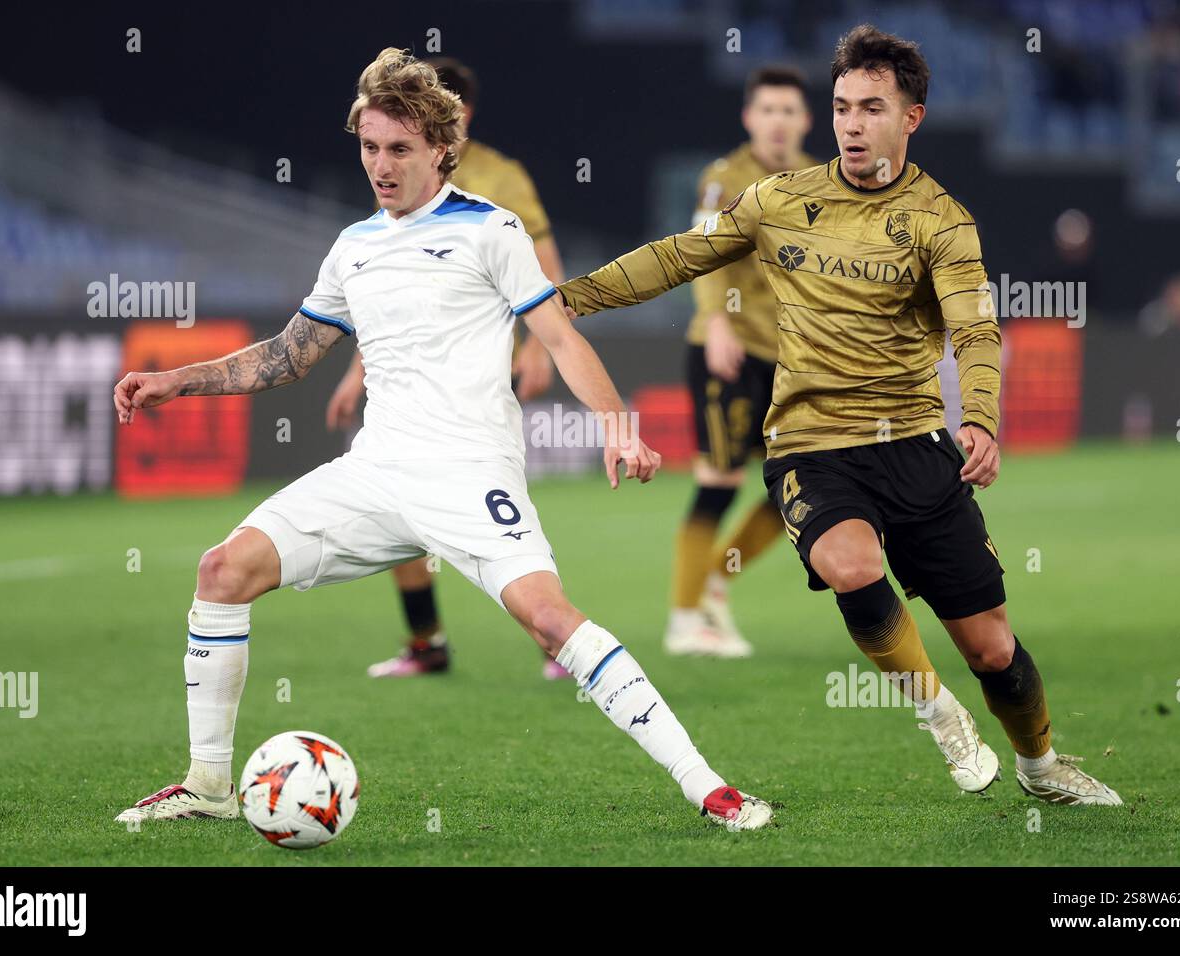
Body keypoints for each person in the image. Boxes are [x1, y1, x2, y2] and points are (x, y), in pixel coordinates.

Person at [112, 48, 771, 830]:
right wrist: (175, 381)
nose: (380, 165)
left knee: (552, 622)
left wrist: (618, 427)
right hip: (377, 472)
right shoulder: (354, 247)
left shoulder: (491, 230)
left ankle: (709, 787)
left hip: (469, 474)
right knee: (222, 570)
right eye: (368, 147)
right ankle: (210, 785)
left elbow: (558, 338)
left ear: (439, 149)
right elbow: (289, 356)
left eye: (398, 149)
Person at [557, 25, 1121, 806]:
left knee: (993, 649)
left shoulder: (941, 220)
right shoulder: (779, 200)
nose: (851, 124)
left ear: (911, 118)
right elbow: (677, 255)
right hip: (810, 443)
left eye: (871, 108)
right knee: (848, 564)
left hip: (917, 444)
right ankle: (939, 715)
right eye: (842, 107)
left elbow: (975, 329)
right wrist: (568, 297)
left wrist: (982, 418)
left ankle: (1041, 765)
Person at [322, 58, 571, 680]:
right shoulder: (398, 170)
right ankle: (427, 642)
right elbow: (393, 298)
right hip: (404, 387)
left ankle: (558, 642)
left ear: (460, 113)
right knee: (397, 510)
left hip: (477, 373)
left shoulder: (499, 179)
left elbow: (543, 260)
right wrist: (356, 375)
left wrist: (538, 348)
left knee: (495, 519)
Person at [667, 65, 818, 659]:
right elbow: (702, 249)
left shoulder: (817, 182)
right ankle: (683, 621)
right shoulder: (724, 178)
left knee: (802, 484)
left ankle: (714, 586)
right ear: (749, 117)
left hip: (792, 359)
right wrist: (720, 320)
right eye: (768, 110)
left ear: (806, 121)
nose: (778, 121)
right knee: (720, 480)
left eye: (789, 111)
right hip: (726, 349)